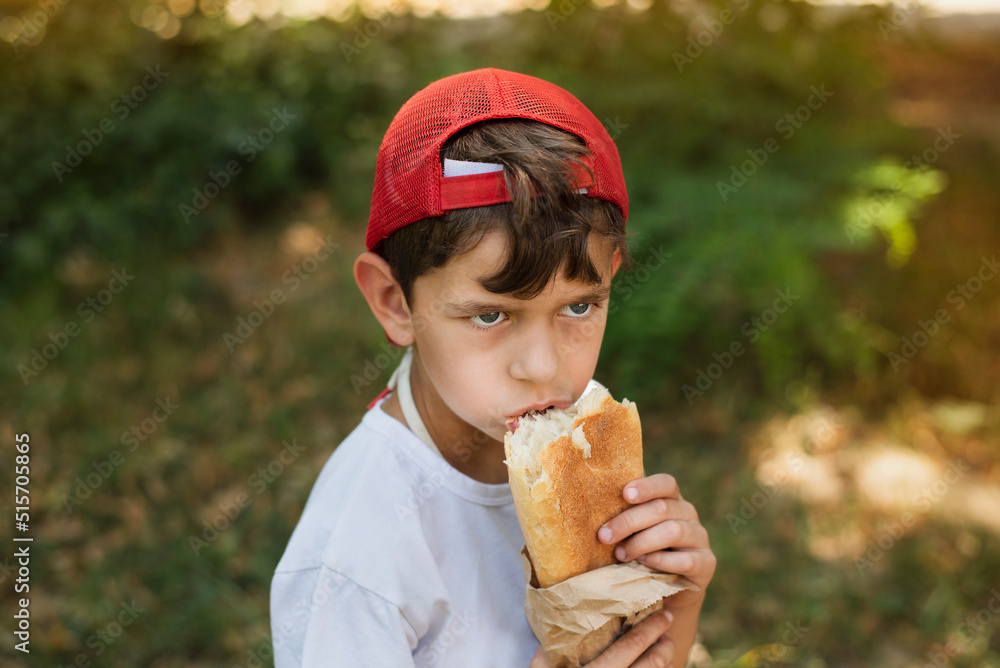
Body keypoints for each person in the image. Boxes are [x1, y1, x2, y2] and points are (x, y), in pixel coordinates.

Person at [270, 67, 716, 668]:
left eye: (578, 306)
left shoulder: (584, 476)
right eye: (490, 316)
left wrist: (674, 610)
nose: (542, 367)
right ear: (394, 302)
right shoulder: (353, 564)